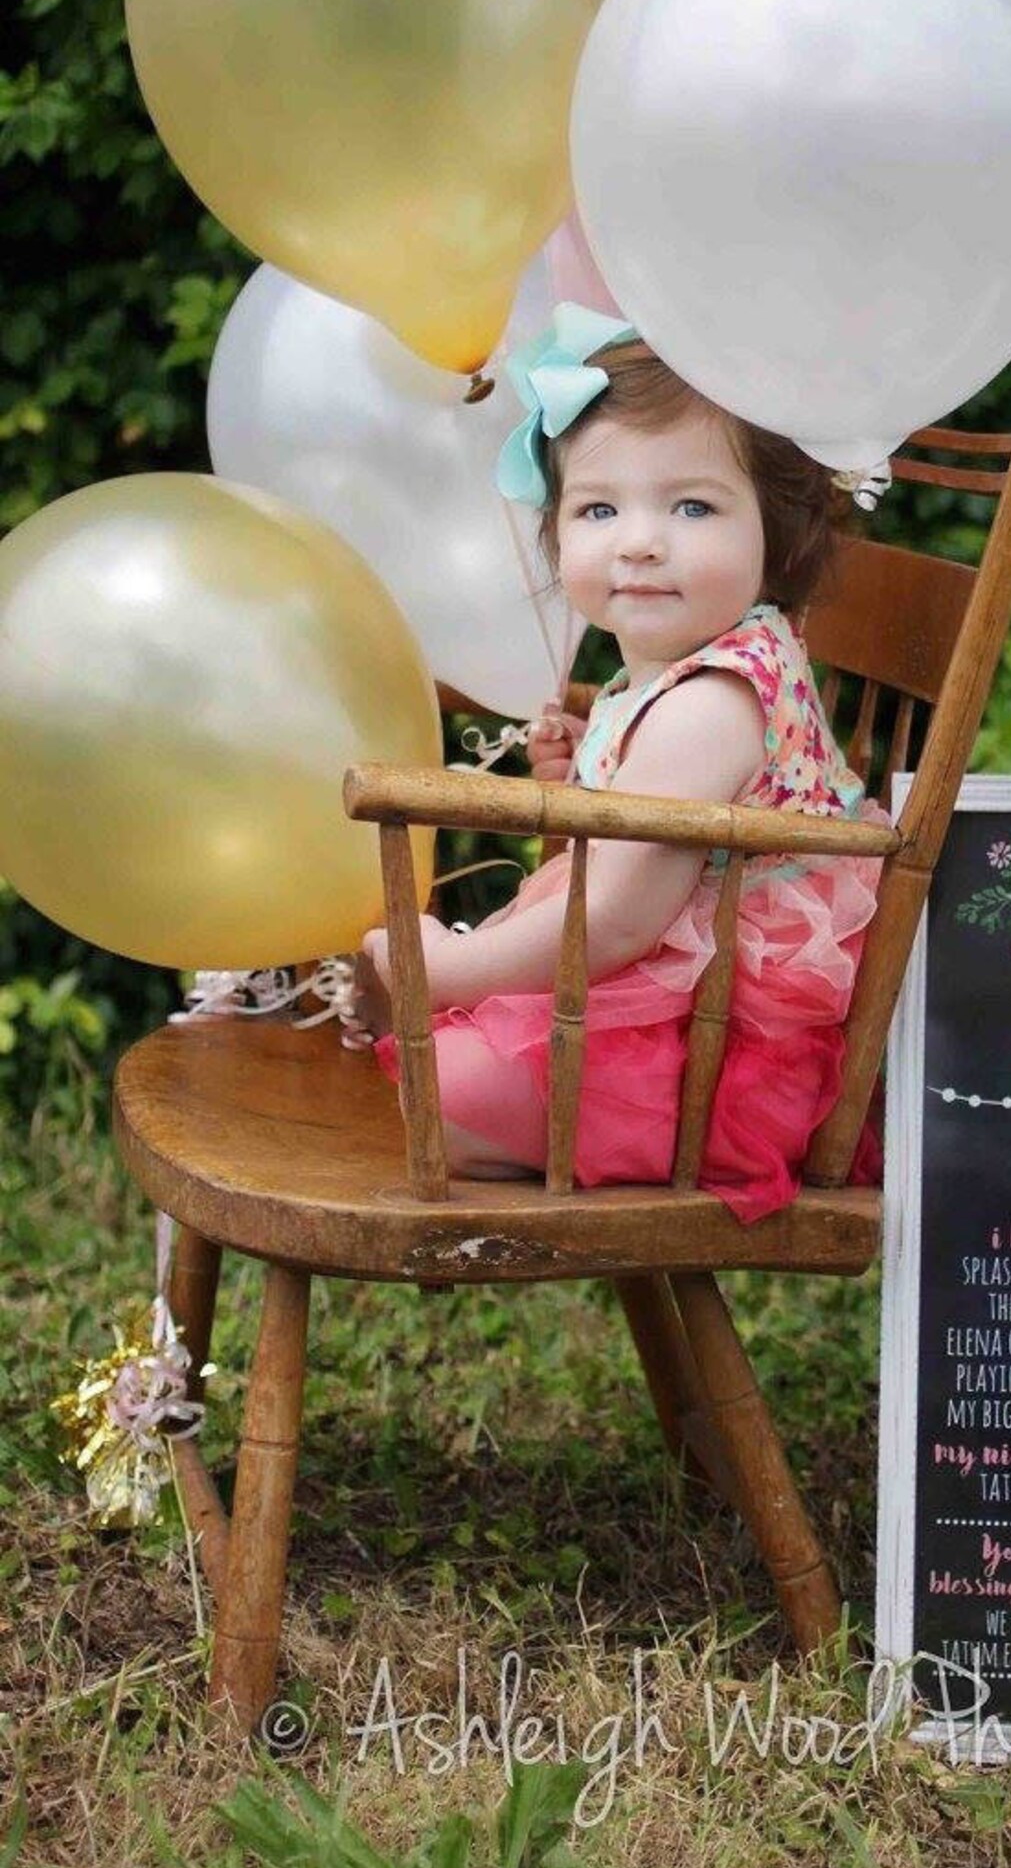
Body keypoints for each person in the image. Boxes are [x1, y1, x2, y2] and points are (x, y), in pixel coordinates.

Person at [361, 305, 885, 1222]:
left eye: (693, 506)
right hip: (675, 993)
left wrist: (454, 968)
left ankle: (544, 1103)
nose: (640, 540)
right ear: (558, 537)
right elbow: (631, 855)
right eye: (600, 508)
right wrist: (580, 788)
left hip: (722, 1049)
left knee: (448, 1085)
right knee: (455, 1070)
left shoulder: (714, 700)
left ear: (777, 528)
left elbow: (610, 923)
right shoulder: (671, 675)